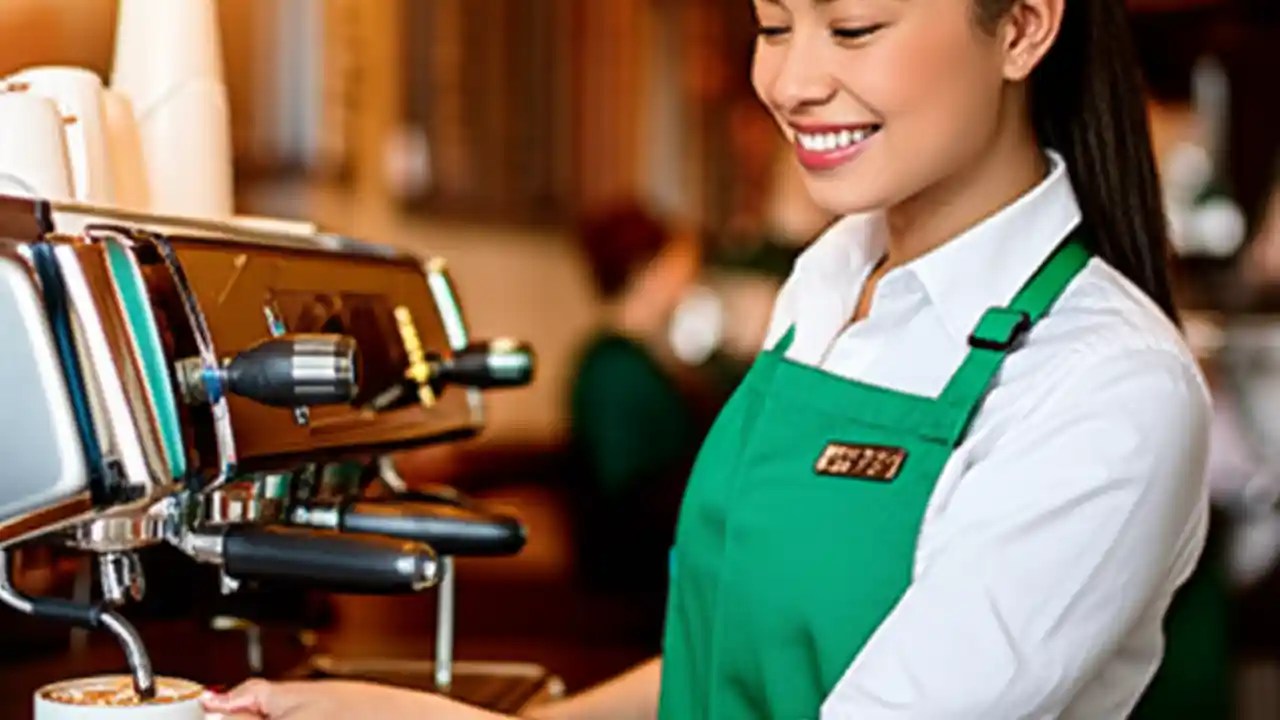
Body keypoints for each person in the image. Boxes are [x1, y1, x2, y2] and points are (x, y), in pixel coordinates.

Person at [203, 0, 1212, 716]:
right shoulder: (824, 287)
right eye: (770, 25)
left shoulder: (1103, 388)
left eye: (851, 27)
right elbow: (721, 658)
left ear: (1024, 26)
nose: (790, 80)